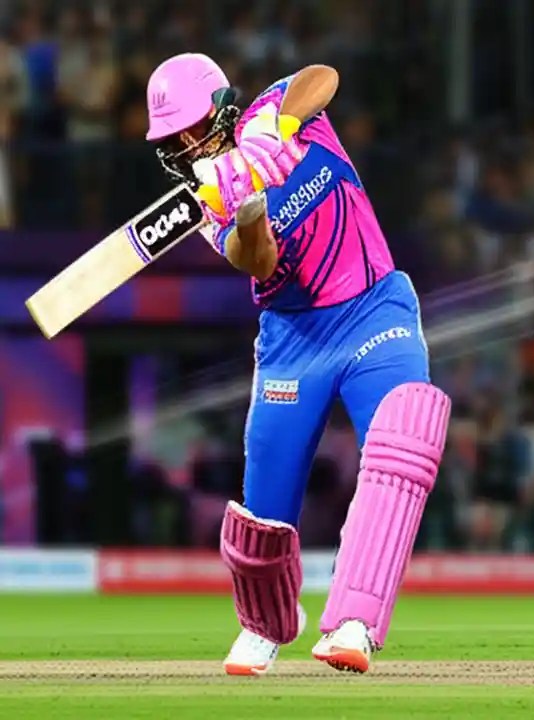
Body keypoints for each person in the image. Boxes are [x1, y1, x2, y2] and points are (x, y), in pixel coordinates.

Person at [144, 53, 451, 676]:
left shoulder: (273, 110)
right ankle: (262, 628)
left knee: (404, 435)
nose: (182, 145)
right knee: (265, 505)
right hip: (293, 340)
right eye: (171, 141)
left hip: (373, 309)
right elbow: (256, 262)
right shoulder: (208, 199)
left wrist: (269, 134)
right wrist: (249, 204)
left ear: (223, 107)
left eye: (189, 129)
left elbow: (324, 77)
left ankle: (356, 621)